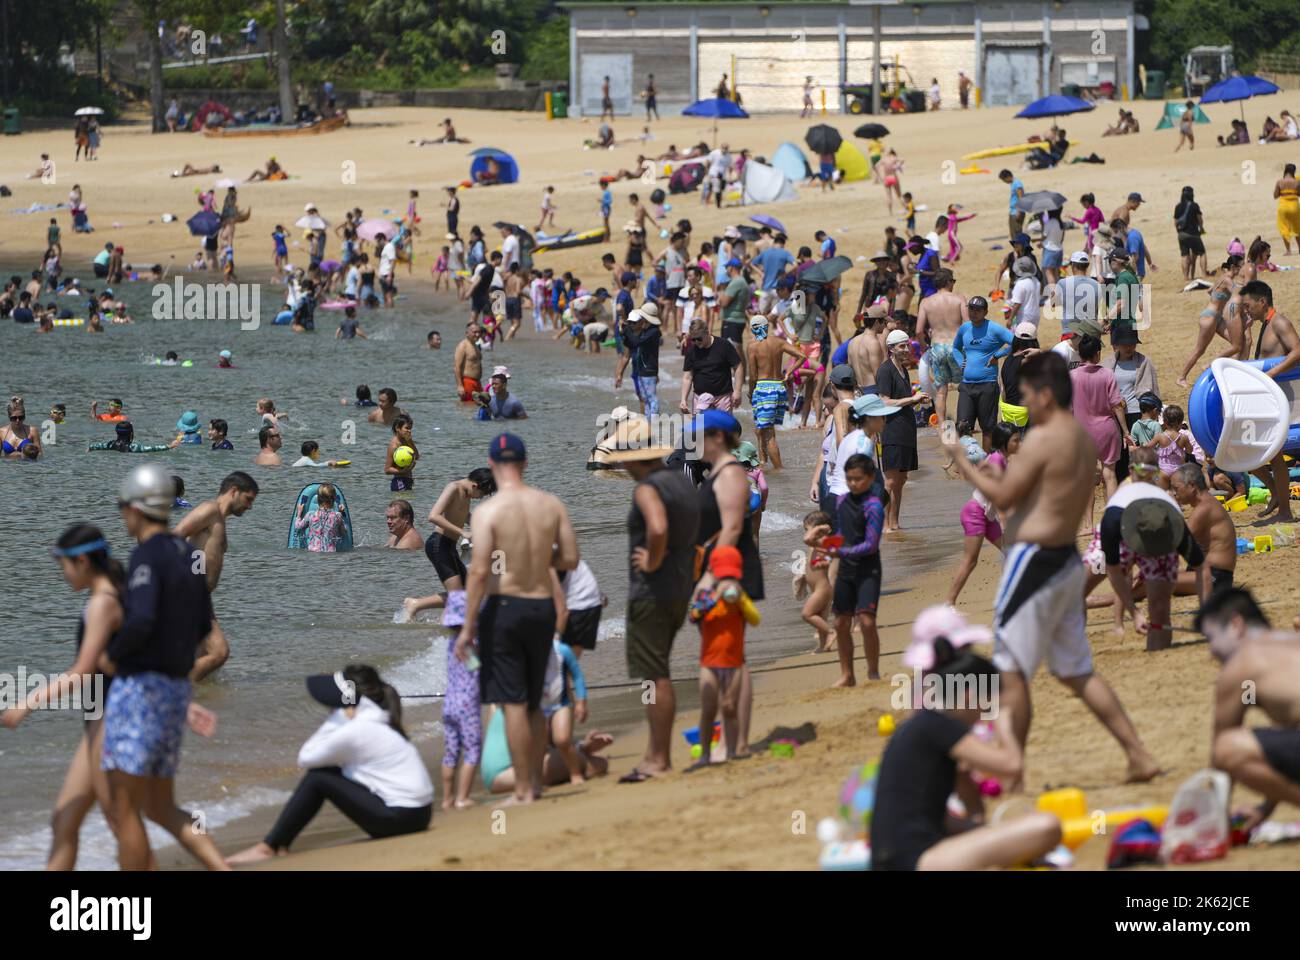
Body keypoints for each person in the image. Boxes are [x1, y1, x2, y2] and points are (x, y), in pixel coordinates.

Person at [944, 352, 1159, 784]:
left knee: (1010, 670)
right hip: (1064, 561)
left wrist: (961, 458)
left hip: (1034, 561)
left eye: (1025, 394)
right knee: (1077, 671)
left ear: (1044, 393)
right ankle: (1138, 755)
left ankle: (1012, 769)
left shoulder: (1044, 438)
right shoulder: (1081, 438)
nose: (1023, 402)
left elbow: (1002, 498)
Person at [99, 464, 228, 870]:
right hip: (174, 690)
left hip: (142, 692)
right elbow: (201, 623)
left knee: (124, 807)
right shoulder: (188, 555)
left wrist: (110, 658)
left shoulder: (147, 555)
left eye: (124, 508)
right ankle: (221, 868)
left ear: (136, 509)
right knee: (159, 806)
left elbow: (139, 622)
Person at [871, 616, 1061, 870]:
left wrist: (989, 834)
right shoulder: (938, 725)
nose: (986, 714)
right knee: (1047, 826)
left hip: (897, 858)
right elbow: (1012, 765)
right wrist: (1003, 721)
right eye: (988, 702)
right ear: (971, 695)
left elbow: (943, 819)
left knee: (1011, 835)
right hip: (917, 861)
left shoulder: (921, 724)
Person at [453, 434, 579, 805]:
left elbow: (477, 574)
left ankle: (523, 789)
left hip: (506, 608)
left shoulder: (487, 512)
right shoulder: (550, 504)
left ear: (492, 465)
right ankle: (535, 783)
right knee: (535, 699)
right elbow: (570, 558)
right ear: (524, 463)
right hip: (542, 606)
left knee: (511, 701)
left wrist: (467, 626)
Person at [0, 525, 128, 868]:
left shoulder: (103, 603)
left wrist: (27, 703)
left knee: (120, 822)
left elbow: (82, 672)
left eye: (64, 565)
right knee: (64, 820)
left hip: (112, 721)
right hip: (98, 722)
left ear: (83, 561)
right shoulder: (104, 597)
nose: (63, 574)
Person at [226, 667, 432, 863]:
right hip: (421, 815)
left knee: (318, 777)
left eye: (334, 705)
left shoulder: (357, 728)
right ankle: (279, 845)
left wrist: (336, 719)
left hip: (400, 819)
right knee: (329, 773)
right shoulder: (380, 718)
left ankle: (268, 847)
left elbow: (305, 757)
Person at [609, 421, 700, 782]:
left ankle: (657, 759)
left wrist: (652, 559)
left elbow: (658, 528)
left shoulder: (648, 488)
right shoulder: (681, 481)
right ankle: (655, 753)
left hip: (653, 591)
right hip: (680, 587)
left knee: (653, 676)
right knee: (659, 671)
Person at [1197, 589, 1300, 836]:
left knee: (1228, 747)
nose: (1211, 651)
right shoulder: (1291, 640)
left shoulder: (1242, 662)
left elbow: (1221, 761)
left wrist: (1213, 824)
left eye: (1211, 637)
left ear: (1236, 624)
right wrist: (1265, 808)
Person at [1091, 481, 1206, 651]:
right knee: (1088, 585)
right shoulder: (1111, 524)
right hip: (1121, 530)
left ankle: (1157, 647)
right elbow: (1115, 572)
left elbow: (1202, 569)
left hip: (1156, 534)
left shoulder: (1177, 529)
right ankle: (1113, 620)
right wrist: (1134, 613)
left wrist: (1208, 614)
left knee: (1158, 605)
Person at [171, 470, 258, 679]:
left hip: (201, 597)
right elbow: (175, 537)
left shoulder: (219, 519)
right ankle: (173, 688)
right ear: (234, 491)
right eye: (248, 499)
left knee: (201, 656)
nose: (249, 506)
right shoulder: (210, 510)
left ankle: (194, 698)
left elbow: (195, 550)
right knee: (219, 652)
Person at [685, 545, 760, 771]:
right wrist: (716, 595)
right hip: (709, 664)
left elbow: (755, 619)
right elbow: (694, 615)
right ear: (712, 571)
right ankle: (706, 754)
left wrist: (741, 601)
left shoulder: (739, 596)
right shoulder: (706, 595)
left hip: (734, 663)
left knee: (729, 706)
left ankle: (732, 751)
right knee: (709, 709)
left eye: (732, 575)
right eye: (724, 575)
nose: (728, 579)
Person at [817, 452, 886, 686]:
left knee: (867, 622)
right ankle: (847, 674)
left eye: (858, 479)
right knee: (841, 623)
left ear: (870, 478)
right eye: (849, 479)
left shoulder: (874, 506)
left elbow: (871, 544)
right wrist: (825, 546)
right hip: (846, 570)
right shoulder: (841, 501)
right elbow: (840, 534)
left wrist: (840, 552)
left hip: (868, 569)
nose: (853, 483)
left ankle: (873, 672)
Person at [401, 468, 496, 621]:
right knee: (457, 596)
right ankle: (415, 605)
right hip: (438, 545)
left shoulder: (466, 494)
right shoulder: (454, 488)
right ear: (475, 486)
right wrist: (462, 532)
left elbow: (462, 514)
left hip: (449, 546)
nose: (480, 498)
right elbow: (433, 516)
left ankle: (441, 622)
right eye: (482, 495)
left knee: (469, 593)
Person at [1242, 280, 1299, 521]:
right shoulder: (1264, 325)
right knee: (1247, 451)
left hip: (1281, 396)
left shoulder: (1280, 322)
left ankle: (1285, 510)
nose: (1246, 310)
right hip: (1266, 397)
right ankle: (1277, 494)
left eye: (1248, 305)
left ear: (1262, 302)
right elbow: (1246, 362)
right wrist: (1246, 336)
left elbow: (1298, 351)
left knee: (1274, 454)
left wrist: (1272, 374)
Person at [949, 422, 1017, 605]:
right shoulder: (997, 460)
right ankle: (949, 603)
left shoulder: (1002, 458)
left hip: (987, 516)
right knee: (970, 561)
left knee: (1010, 553)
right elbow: (998, 496)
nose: (1019, 444)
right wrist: (1006, 524)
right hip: (975, 513)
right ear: (1004, 442)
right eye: (1016, 441)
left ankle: (1008, 596)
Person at [876, 330, 926, 532]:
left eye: (907, 345)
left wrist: (917, 400)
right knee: (890, 480)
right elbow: (884, 402)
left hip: (906, 429)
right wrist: (911, 399)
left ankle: (895, 522)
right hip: (891, 430)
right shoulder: (885, 370)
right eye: (902, 346)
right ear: (891, 349)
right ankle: (884, 525)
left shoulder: (903, 370)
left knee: (902, 479)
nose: (907, 349)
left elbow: (901, 400)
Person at [951, 295, 1013, 453]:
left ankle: (987, 462)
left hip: (988, 384)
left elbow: (1017, 342)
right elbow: (955, 348)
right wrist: (960, 362)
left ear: (985, 311)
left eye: (978, 309)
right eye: (971, 308)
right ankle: (964, 464)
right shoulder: (965, 328)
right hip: (966, 385)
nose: (974, 312)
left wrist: (998, 355)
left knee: (988, 428)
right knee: (962, 426)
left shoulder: (994, 328)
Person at [746, 315, 806, 468]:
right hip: (779, 387)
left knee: (768, 434)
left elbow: (753, 376)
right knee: (762, 429)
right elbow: (802, 356)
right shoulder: (779, 342)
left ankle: (779, 470)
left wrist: (751, 392)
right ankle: (763, 463)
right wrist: (789, 372)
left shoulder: (752, 346)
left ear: (753, 328)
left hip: (763, 388)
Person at [1170, 464, 1237, 596]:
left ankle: (1117, 599)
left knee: (1153, 580)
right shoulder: (1208, 504)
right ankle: (1119, 598)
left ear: (1191, 486)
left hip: (1215, 577)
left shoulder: (1204, 509)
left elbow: (1176, 543)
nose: (1174, 493)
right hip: (1210, 573)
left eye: (1176, 488)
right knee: (1154, 579)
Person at [681, 316, 743, 413]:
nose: (696, 342)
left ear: (707, 332)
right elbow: (687, 377)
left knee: (723, 427)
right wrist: (683, 399)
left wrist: (737, 391)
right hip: (700, 398)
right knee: (701, 427)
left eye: (699, 338)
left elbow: (738, 366)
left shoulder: (723, 345)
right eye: (693, 339)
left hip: (722, 397)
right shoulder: (691, 351)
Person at [616, 303, 664, 416]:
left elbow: (637, 342)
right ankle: (648, 422)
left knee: (651, 398)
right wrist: (623, 333)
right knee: (645, 398)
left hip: (649, 370)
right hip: (642, 369)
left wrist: (627, 329)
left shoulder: (654, 331)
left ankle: (654, 422)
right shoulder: (646, 331)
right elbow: (632, 343)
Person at [294, 483, 348, 553]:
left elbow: (298, 527)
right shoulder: (337, 516)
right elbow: (343, 533)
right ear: (334, 499)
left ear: (318, 499)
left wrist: (299, 514)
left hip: (313, 552)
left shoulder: (310, 515)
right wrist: (342, 514)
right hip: (330, 553)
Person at [385, 414, 418, 492]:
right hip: (399, 482)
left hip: (408, 480)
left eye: (410, 428)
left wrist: (410, 441)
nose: (409, 431)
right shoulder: (394, 446)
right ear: (397, 428)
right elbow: (387, 469)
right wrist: (401, 471)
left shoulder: (406, 441)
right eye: (406, 428)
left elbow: (416, 456)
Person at [454, 322, 485, 402]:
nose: (477, 334)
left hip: (477, 383)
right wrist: (460, 386)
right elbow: (457, 367)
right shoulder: (463, 346)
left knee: (479, 406)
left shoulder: (476, 346)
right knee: (468, 408)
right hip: (467, 382)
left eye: (479, 332)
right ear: (467, 333)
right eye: (474, 332)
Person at [1275, 163, 1300, 257]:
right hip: (1294, 206)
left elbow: (1275, 195)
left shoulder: (1280, 182)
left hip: (1283, 206)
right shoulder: (1297, 182)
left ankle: (1288, 250)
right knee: (1297, 228)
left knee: (1284, 227)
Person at [999, 169, 1026, 241]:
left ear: (1008, 177)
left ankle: (1021, 251)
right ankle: (1017, 251)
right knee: (1013, 234)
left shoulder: (1017, 184)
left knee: (1017, 234)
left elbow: (1021, 198)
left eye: (1004, 180)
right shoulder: (1013, 184)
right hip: (1013, 211)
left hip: (1017, 212)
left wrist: (1019, 211)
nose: (1005, 182)